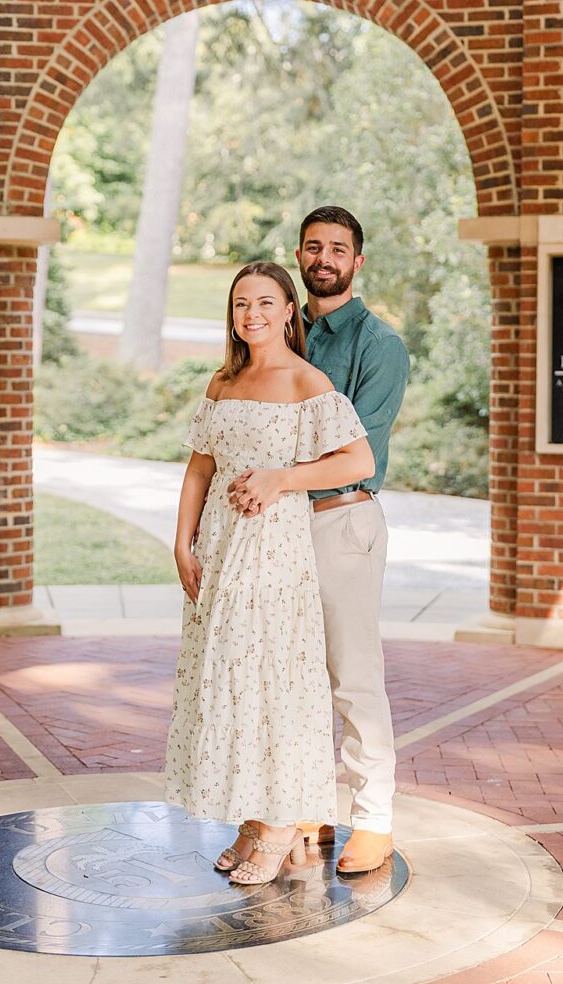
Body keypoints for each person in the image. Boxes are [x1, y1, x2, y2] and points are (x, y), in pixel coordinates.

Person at [168, 261, 373, 885]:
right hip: (220, 547)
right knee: (232, 678)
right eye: (240, 304)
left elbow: (357, 461)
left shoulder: (308, 382)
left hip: (274, 551)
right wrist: (182, 542)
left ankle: (283, 824)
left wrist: (282, 478)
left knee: (273, 682)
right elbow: (200, 468)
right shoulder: (224, 381)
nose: (251, 314)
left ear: (288, 311)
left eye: (264, 302)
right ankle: (254, 818)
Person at [226, 206, 410, 875]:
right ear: (298, 256)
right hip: (277, 532)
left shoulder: (378, 345)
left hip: (338, 520)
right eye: (312, 247)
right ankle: (303, 808)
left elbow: (353, 450)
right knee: (288, 676)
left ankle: (375, 820)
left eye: (337, 248)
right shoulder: (280, 330)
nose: (323, 258)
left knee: (352, 677)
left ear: (357, 261)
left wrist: (277, 476)